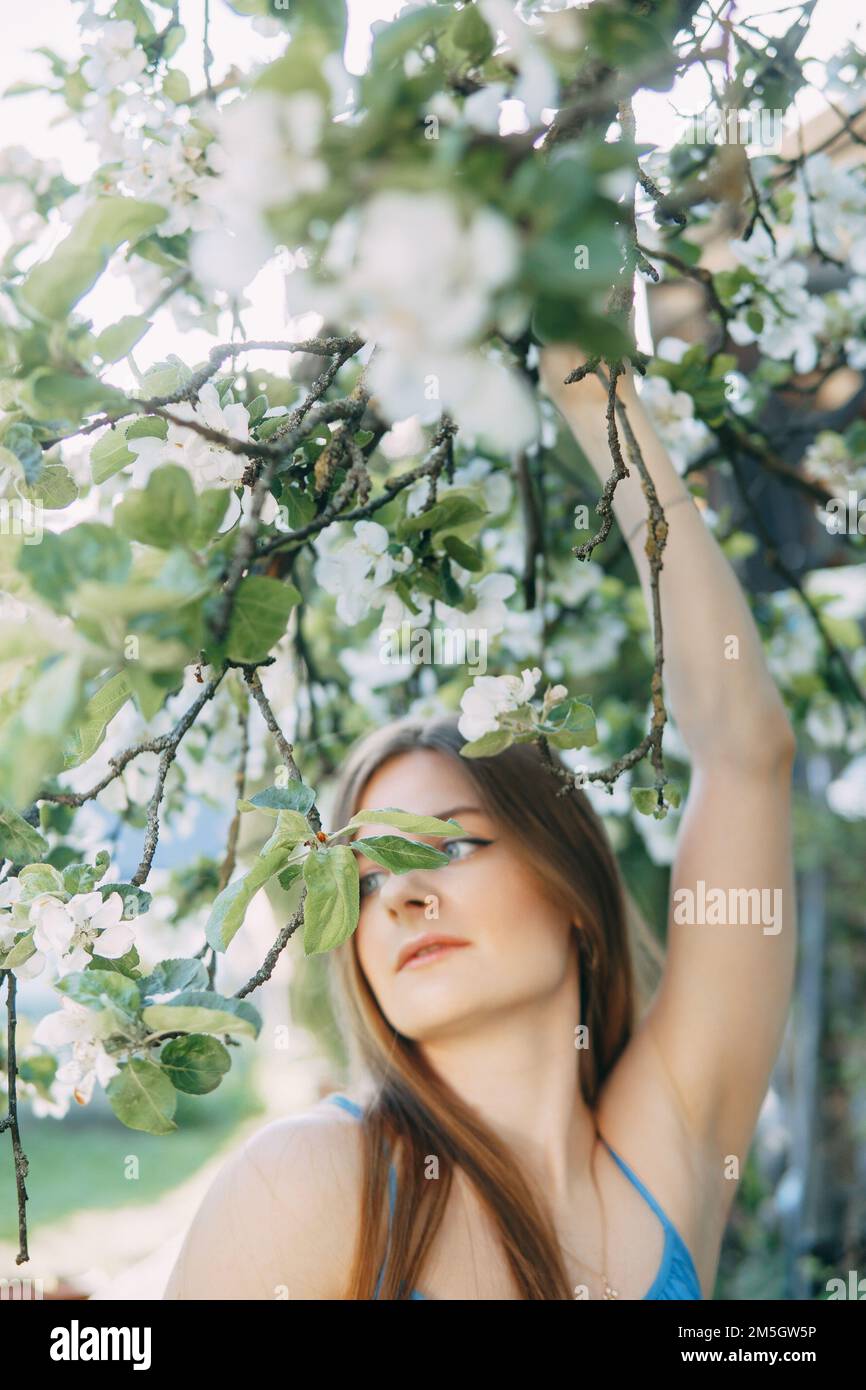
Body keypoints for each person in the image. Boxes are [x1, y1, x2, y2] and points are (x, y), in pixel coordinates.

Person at [163, 349, 797, 1300]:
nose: (403, 897)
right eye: (364, 879)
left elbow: (747, 754)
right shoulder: (312, 1185)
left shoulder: (668, 1158)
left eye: (448, 846)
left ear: (572, 890)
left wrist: (592, 378)